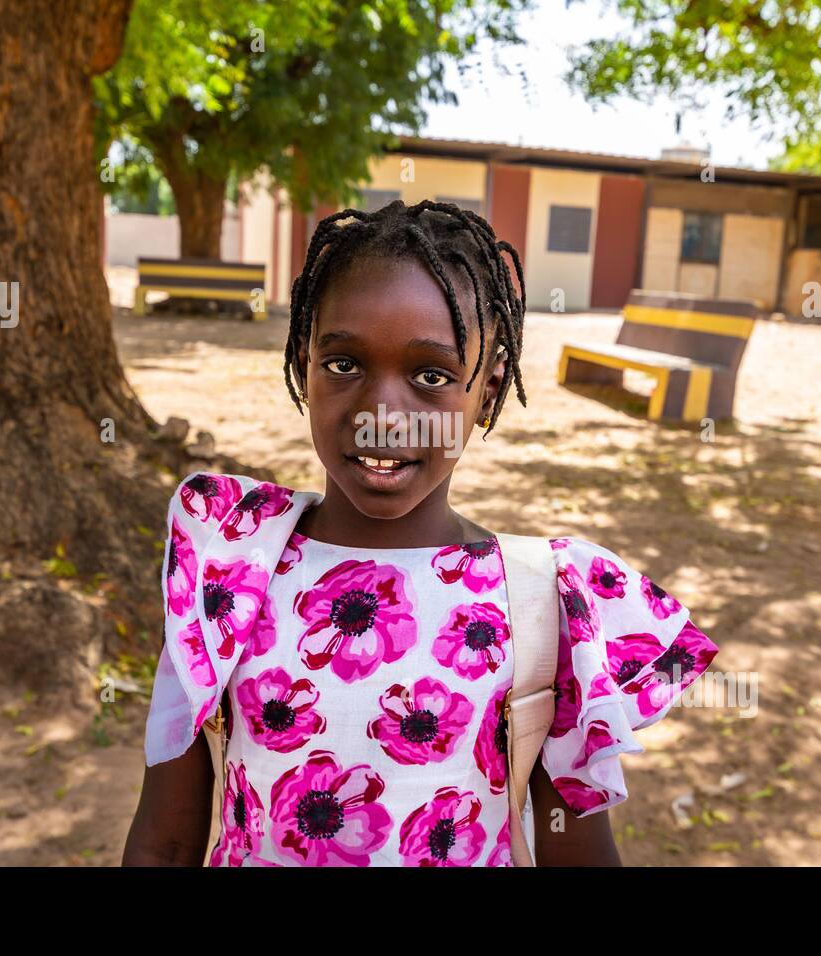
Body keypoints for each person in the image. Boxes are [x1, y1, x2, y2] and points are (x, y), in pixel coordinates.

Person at [123, 199, 719, 867]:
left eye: (431, 376)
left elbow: (575, 854)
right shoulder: (231, 566)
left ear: (487, 394)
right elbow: (164, 842)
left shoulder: (541, 603)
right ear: (302, 360)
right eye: (344, 364)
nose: (381, 414)